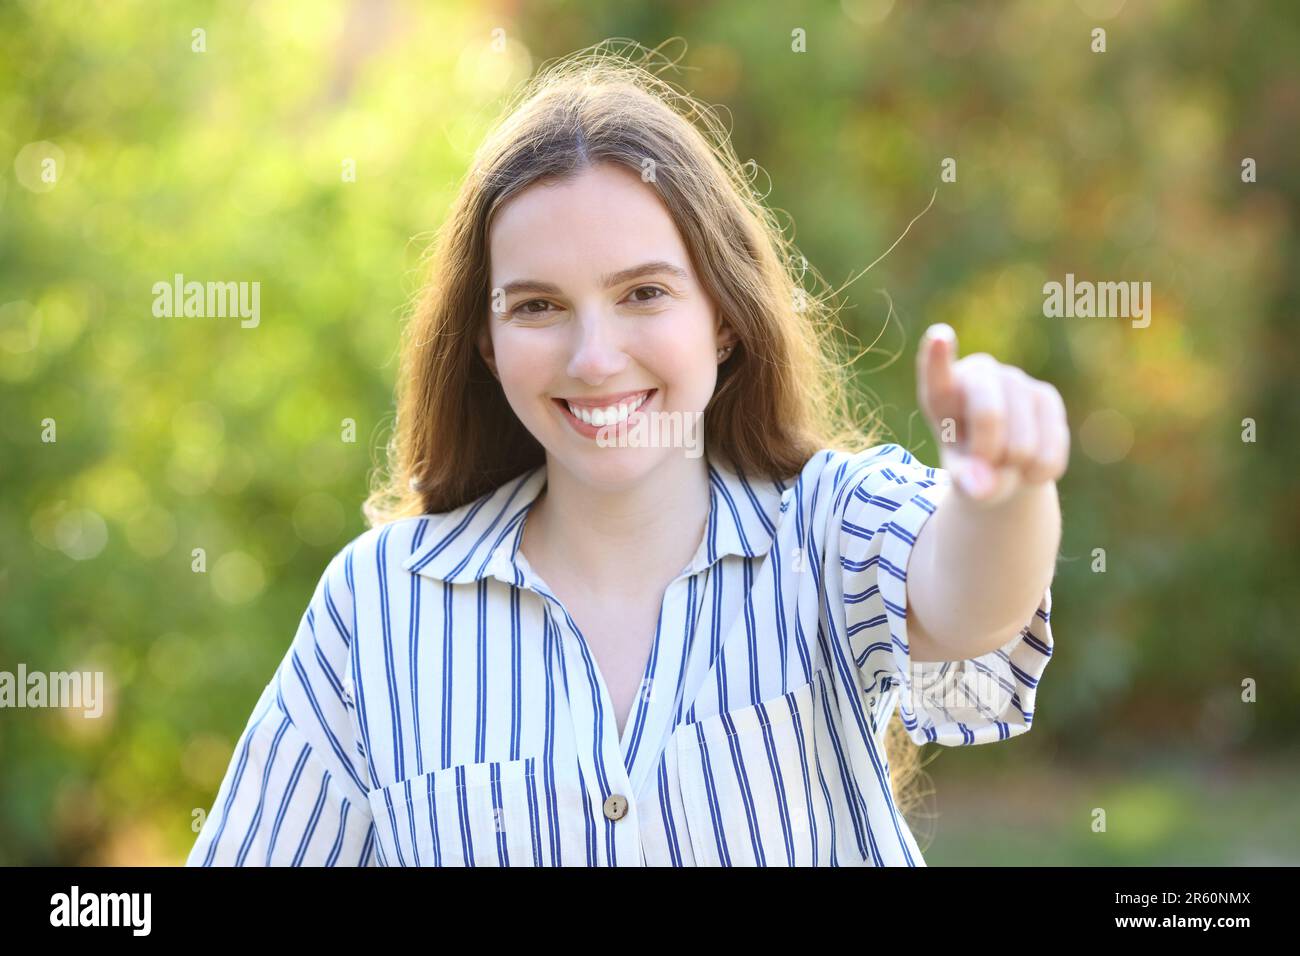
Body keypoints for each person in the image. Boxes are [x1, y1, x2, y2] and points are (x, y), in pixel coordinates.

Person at [188, 42, 1066, 867]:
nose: (594, 359)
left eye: (643, 293)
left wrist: (1007, 493)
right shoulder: (375, 607)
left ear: (721, 315)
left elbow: (971, 601)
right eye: (537, 306)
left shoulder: (828, 526)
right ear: (487, 343)